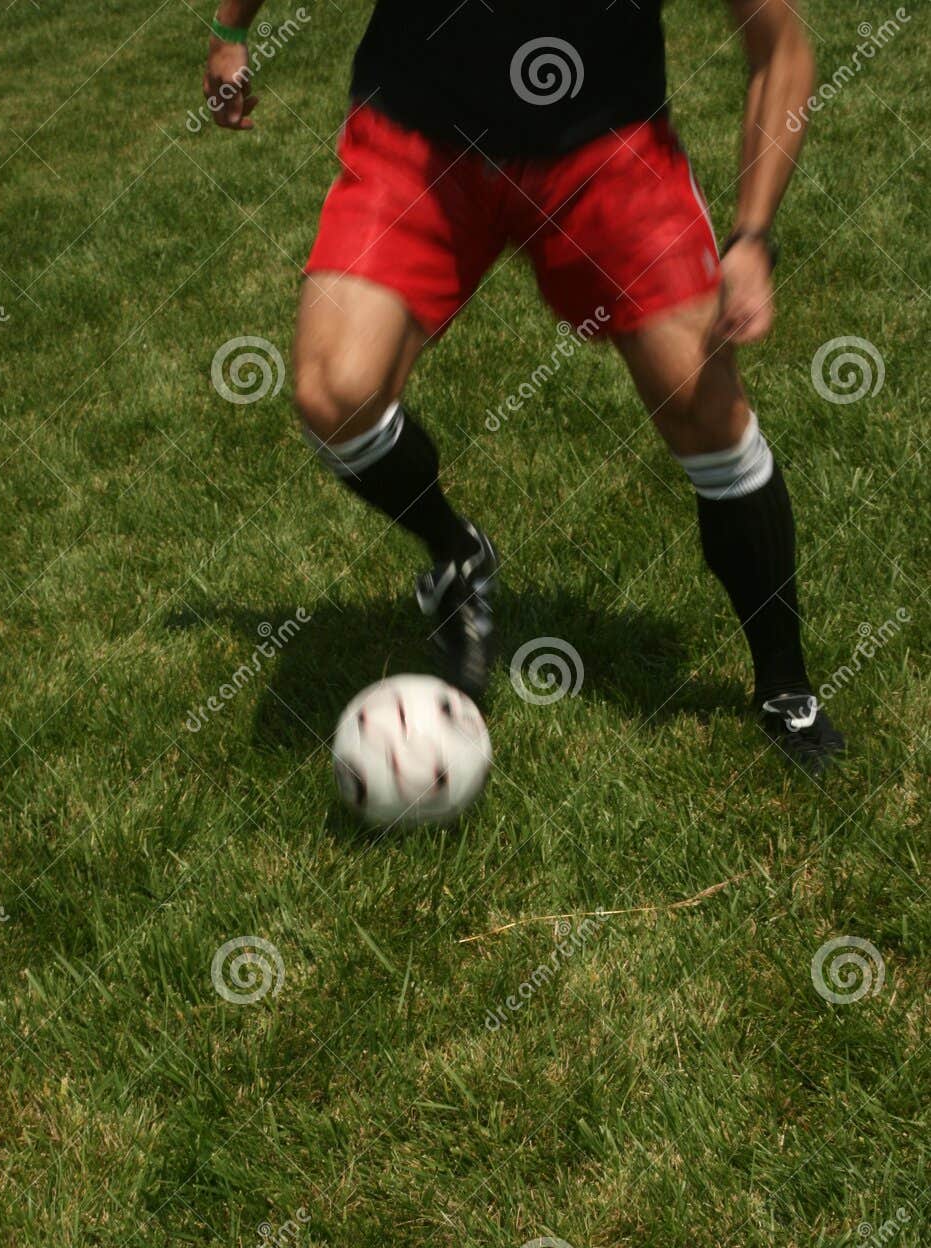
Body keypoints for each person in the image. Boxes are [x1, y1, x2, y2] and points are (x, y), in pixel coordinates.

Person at [203, 1, 844, 774]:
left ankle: (783, 684)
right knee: (333, 394)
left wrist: (751, 236)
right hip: (417, 144)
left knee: (703, 410)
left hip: (605, 153)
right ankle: (457, 556)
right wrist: (230, 32)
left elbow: (780, 49)